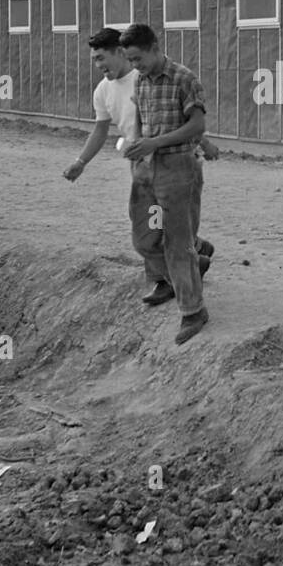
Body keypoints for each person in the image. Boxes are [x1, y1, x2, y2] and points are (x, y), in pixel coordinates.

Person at [63, 27, 215, 272]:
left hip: (173, 161)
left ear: (119, 53)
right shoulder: (102, 91)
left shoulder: (145, 78)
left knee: (163, 223)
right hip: (143, 164)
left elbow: (181, 117)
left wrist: (204, 144)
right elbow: (100, 130)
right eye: (94, 60)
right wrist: (80, 162)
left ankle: (171, 275)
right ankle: (191, 256)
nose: (98, 65)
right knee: (152, 222)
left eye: (101, 58)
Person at [119, 23, 211, 344]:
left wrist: (154, 143)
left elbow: (197, 126)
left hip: (179, 169)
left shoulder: (184, 78)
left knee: (176, 241)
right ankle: (188, 267)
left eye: (138, 58)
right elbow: (142, 120)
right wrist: (137, 143)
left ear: (155, 48)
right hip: (147, 169)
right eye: (130, 60)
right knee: (144, 239)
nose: (135, 65)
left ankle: (193, 311)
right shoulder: (141, 81)